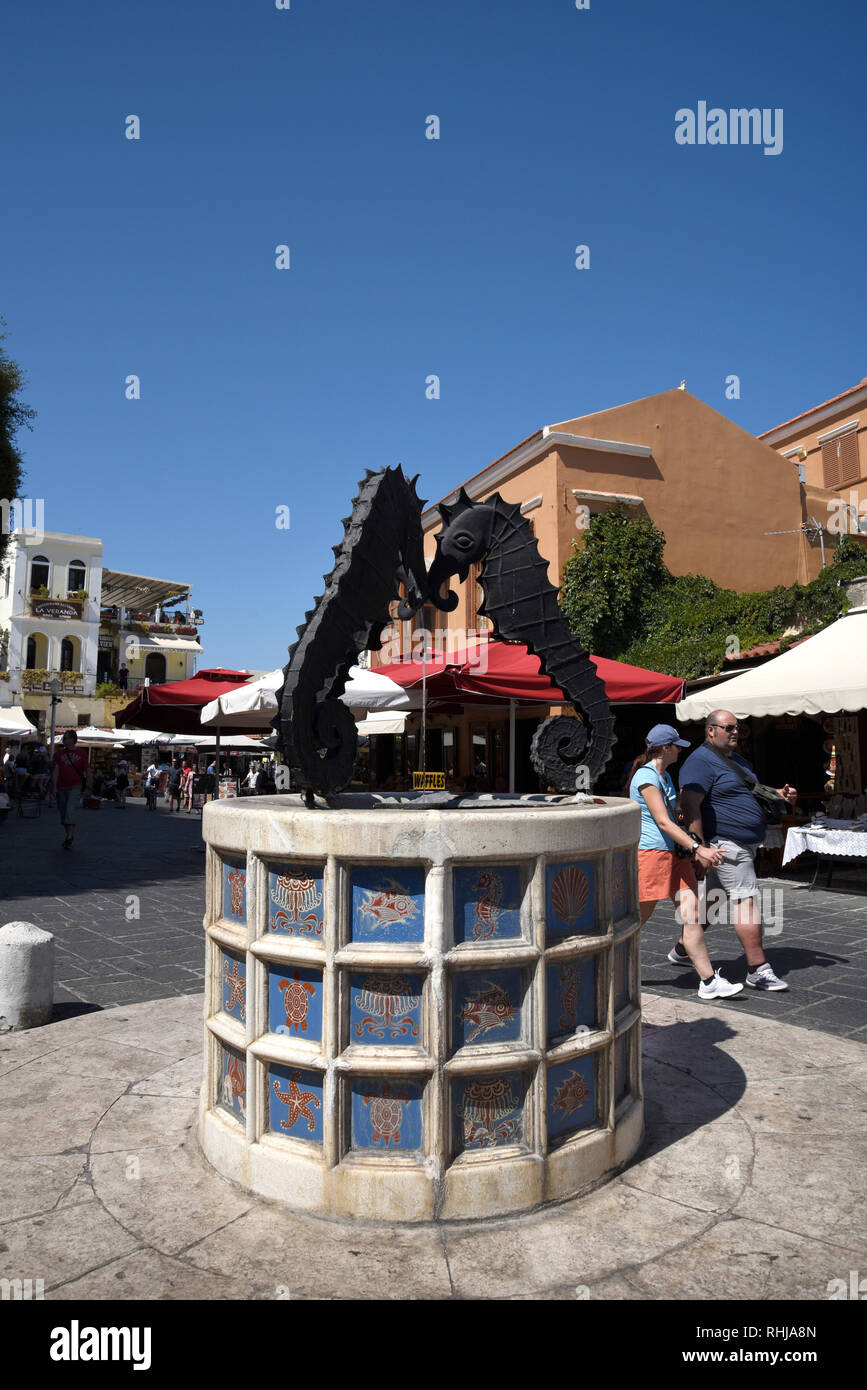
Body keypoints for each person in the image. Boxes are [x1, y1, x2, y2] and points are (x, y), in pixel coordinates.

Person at [673, 710, 797, 992]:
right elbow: (689, 805)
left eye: (737, 727)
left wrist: (778, 794)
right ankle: (757, 969)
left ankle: (682, 948)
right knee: (746, 899)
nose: (735, 732)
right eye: (728, 727)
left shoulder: (733, 759)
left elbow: (746, 790)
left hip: (742, 843)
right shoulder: (700, 762)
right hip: (724, 843)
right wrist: (699, 848)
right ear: (710, 731)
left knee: (713, 899)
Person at [629, 723, 742, 1001]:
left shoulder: (664, 775)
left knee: (691, 917)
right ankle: (606, 968)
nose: (680, 750)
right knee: (632, 923)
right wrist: (697, 848)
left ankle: (708, 981)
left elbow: (672, 816)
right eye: (677, 746)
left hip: (673, 856)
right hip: (651, 856)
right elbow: (663, 821)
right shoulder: (646, 777)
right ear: (665, 748)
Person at [52, 729, 89, 850]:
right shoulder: (59, 754)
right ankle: (69, 835)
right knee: (63, 814)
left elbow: (87, 770)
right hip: (61, 786)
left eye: (67, 738)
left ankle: (69, 836)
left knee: (69, 811)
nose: (65, 740)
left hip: (75, 786)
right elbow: (56, 770)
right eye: (64, 738)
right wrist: (54, 786)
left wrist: (89, 785)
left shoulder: (82, 753)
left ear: (73, 739)